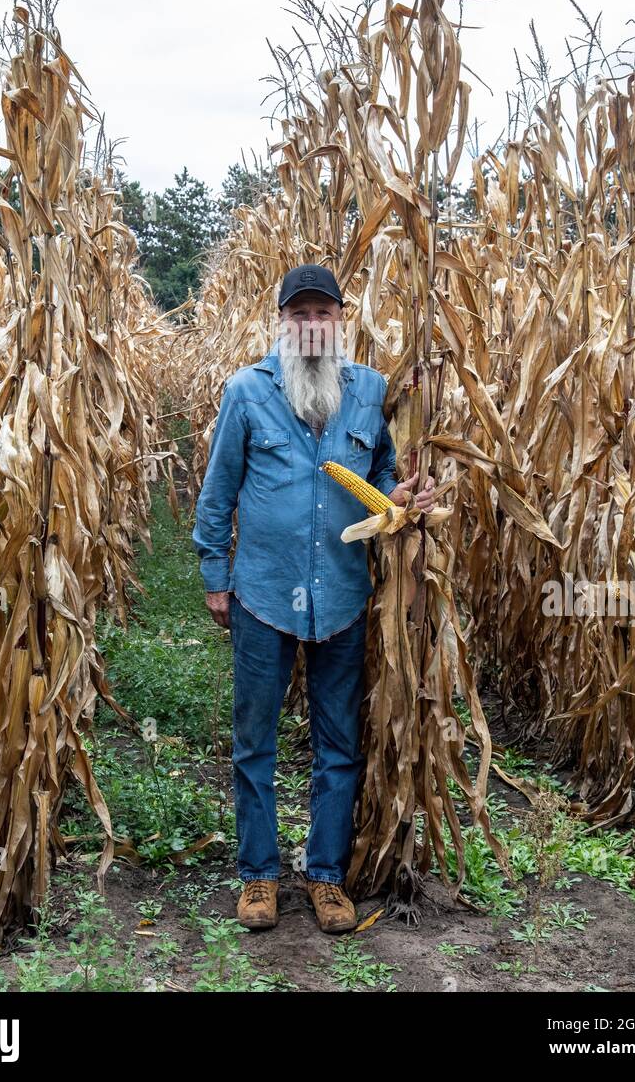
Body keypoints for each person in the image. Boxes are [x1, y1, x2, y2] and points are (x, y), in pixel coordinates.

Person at [192, 263, 436, 933]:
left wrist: (401, 500)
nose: (311, 326)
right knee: (255, 741)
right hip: (263, 592)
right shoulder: (247, 392)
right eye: (299, 315)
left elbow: (385, 473)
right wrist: (218, 575)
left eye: (322, 314)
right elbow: (217, 495)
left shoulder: (369, 392)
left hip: (343, 596)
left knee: (339, 743)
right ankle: (259, 875)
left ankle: (325, 876)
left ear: (339, 320)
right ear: (283, 322)